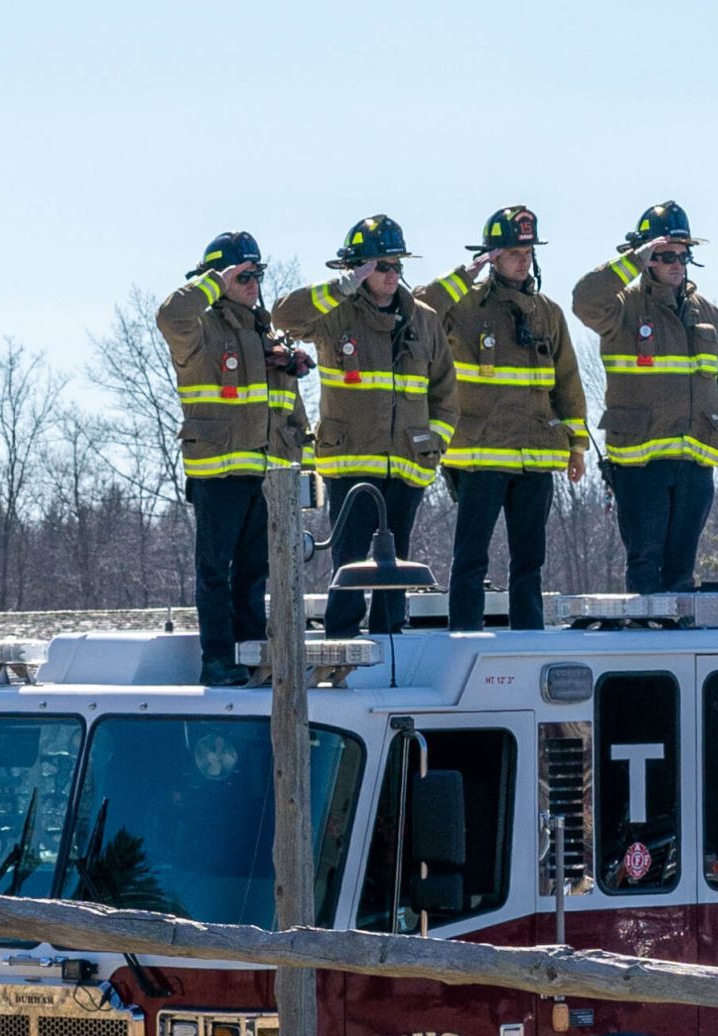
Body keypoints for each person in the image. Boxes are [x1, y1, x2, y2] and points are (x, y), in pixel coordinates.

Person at [274, 214, 457, 640]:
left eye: (396, 266)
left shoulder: (424, 320)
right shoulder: (334, 315)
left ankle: (390, 637)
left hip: (408, 465)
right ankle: (342, 638)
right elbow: (284, 316)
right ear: (358, 268)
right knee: (351, 560)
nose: (392, 275)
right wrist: (342, 287)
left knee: (397, 562)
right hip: (351, 462)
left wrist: (434, 448)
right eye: (381, 266)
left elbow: (446, 393)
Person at [416, 205, 588, 631]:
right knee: (471, 557)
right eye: (513, 252)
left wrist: (577, 445)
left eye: (528, 251)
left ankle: (528, 638)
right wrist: (462, 276)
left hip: (536, 457)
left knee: (530, 559)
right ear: (492, 256)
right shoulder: (465, 305)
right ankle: (465, 634)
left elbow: (567, 381)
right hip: (479, 455)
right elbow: (417, 309)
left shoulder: (547, 312)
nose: (523, 259)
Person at [571, 200, 718, 594]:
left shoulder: (708, 314)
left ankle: (678, 642)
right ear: (645, 257)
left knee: (681, 570)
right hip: (641, 462)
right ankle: (644, 641)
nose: (676, 262)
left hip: (695, 459)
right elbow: (584, 300)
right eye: (665, 254)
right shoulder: (622, 308)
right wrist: (628, 264)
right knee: (645, 563)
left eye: (682, 254)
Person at [156, 230, 313, 687]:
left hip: (266, 476)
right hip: (218, 473)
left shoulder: (266, 332)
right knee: (215, 573)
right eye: (242, 275)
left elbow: (287, 410)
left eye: (256, 274)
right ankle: (218, 660)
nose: (252, 282)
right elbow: (169, 316)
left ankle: (251, 654)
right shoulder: (200, 329)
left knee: (254, 574)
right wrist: (212, 282)